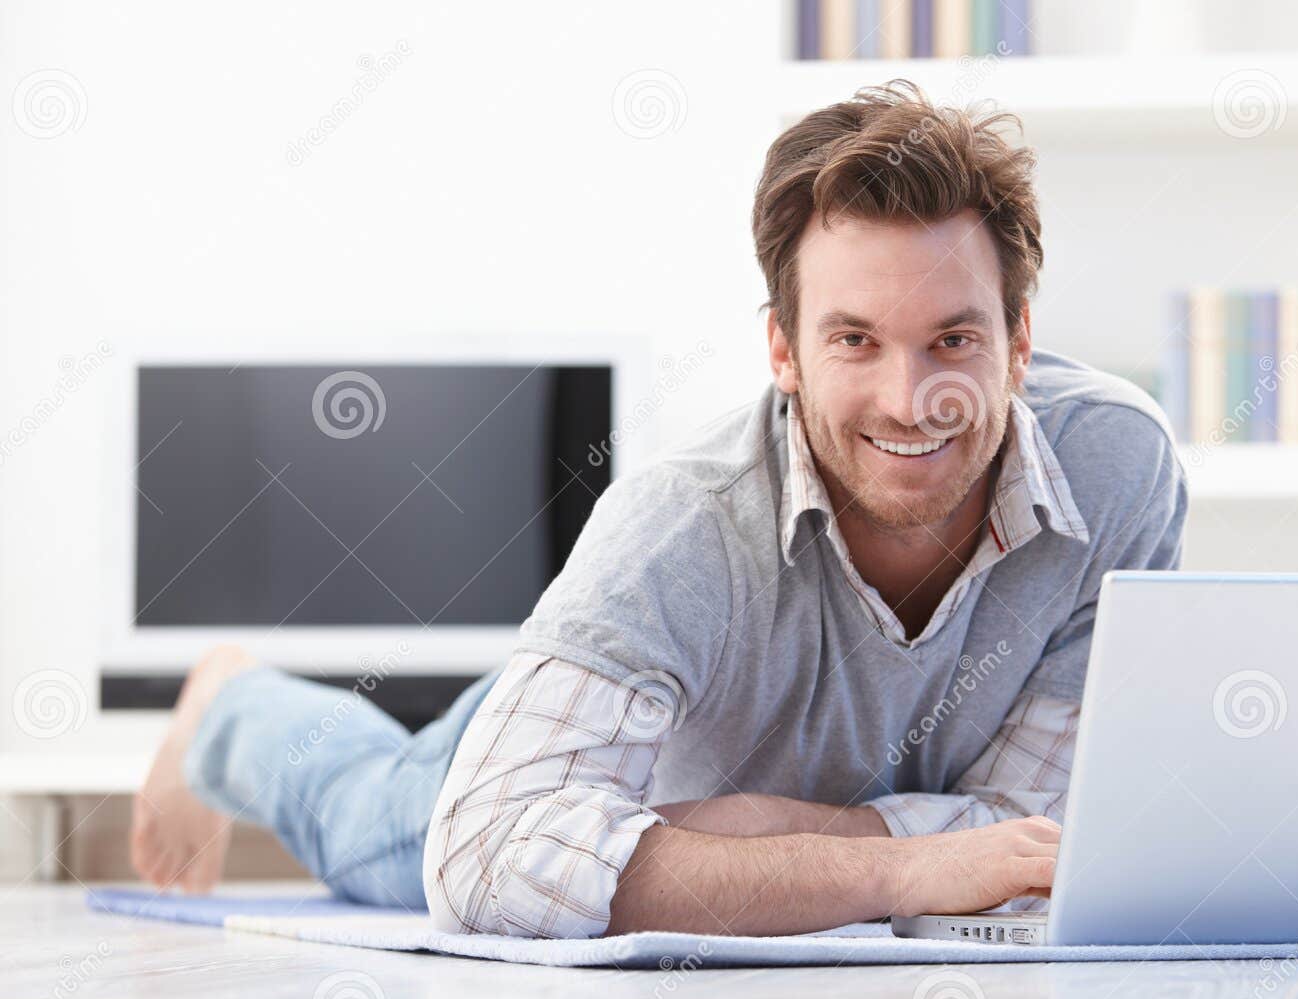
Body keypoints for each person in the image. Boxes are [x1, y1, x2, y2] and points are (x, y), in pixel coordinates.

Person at [131, 80, 1186, 939]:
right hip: (608, 739)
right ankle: (226, 702)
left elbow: (1032, 835)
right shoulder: (682, 526)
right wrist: (906, 866)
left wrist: (769, 832)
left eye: (953, 339)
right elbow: (486, 855)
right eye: (853, 339)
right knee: (368, 819)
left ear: (1020, 335)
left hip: (700, 762)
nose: (910, 402)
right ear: (781, 348)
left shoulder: (1115, 466)